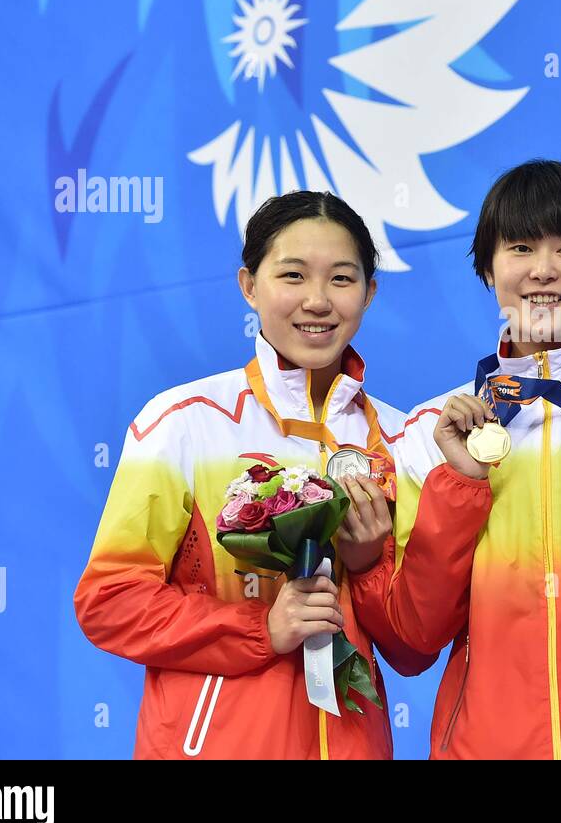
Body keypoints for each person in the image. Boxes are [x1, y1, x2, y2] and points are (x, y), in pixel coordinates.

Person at [74, 190, 434, 759]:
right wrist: (259, 629)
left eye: (342, 279)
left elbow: (413, 649)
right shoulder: (185, 422)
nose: (317, 301)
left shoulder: (402, 439)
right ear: (249, 284)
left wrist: (366, 567)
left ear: (370, 291)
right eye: (292, 275)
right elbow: (110, 602)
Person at [360, 159, 561, 759]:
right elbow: (412, 640)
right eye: (519, 248)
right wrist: (459, 483)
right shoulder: (428, 432)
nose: (542, 271)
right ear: (487, 267)